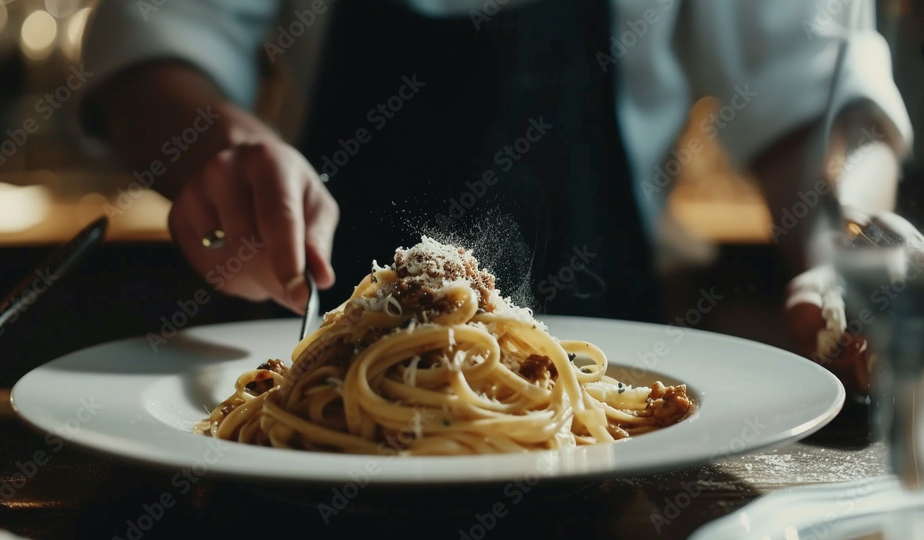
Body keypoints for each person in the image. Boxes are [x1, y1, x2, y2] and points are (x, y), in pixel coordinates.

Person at [79, 0, 913, 393]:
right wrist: (221, 149)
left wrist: (843, 243)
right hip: (307, 359)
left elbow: (815, 93)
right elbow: (149, 42)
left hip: (609, 405)